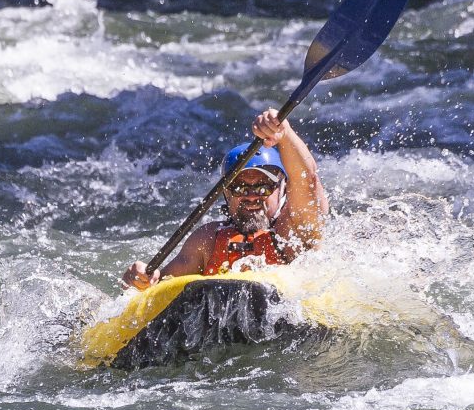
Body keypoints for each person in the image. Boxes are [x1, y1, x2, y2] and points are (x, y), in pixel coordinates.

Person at [122, 108, 328, 290]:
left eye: (264, 187)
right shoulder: (207, 240)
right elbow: (158, 291)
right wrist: (140, 280)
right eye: (239, 187)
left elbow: (306, 180)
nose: (251, 196)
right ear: (226, 193)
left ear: (282, 190)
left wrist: (285, 133)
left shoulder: (295, 229)